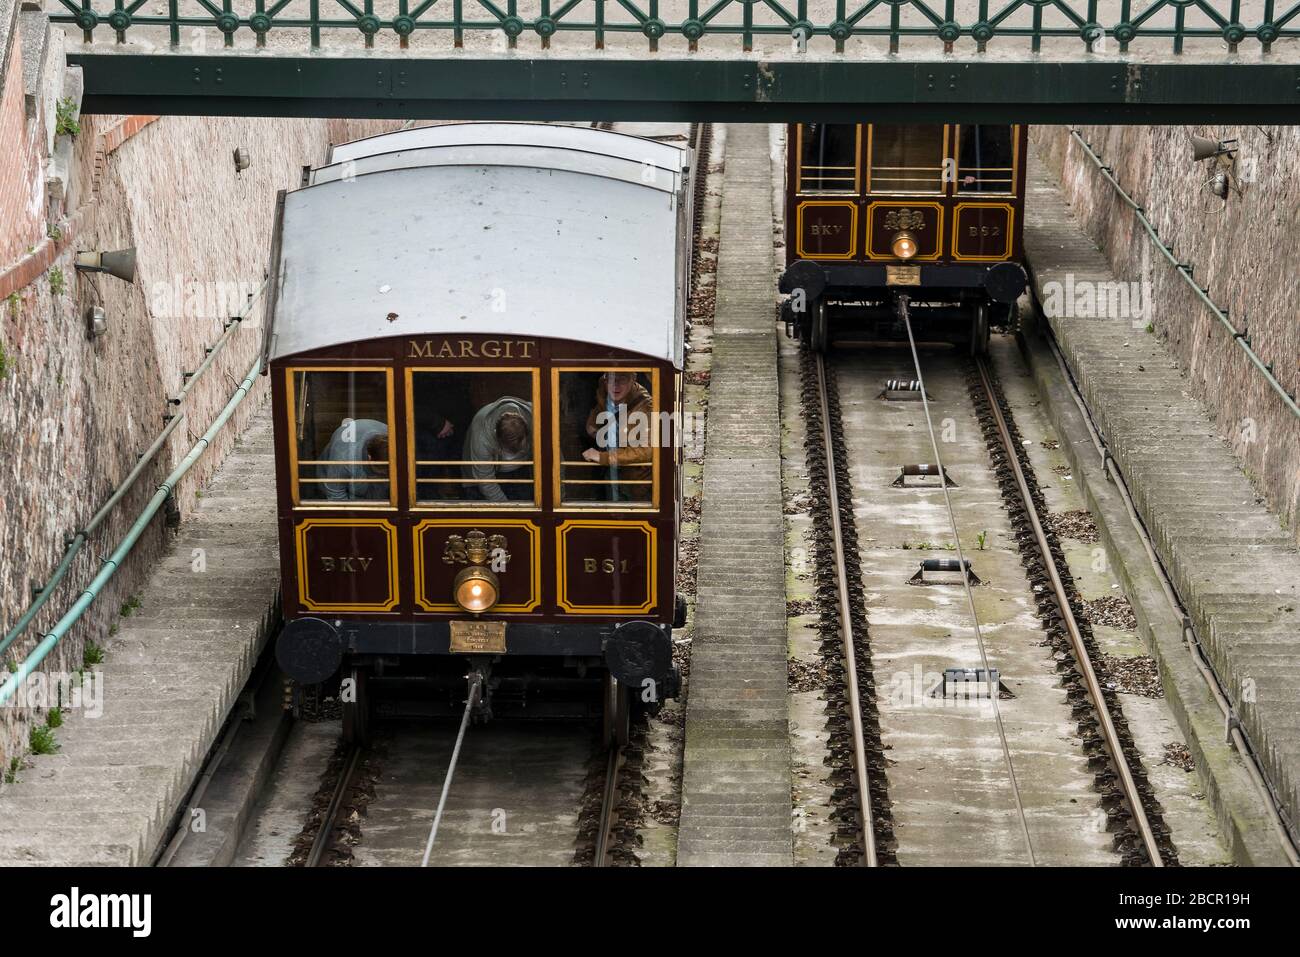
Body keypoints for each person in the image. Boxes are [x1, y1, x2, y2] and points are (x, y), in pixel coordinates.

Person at [582, 371, 653, 501]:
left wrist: (602, 457)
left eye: (623, 379)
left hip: (635, 481)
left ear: (633, 379)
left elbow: (646, 451)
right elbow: (598, 412)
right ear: (605, 379)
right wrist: (594, 430)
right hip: (610, 474)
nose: (615, 385)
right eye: (611, 379)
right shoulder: (604, 392)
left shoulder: (645, 408)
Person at [462, 397, 533, 502]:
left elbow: (555, 462)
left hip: (521, 470)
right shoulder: (481, 436)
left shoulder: (537, 420)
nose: (520, 451)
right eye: (510, 449)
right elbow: (485, 479)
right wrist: (507, 511)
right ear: (498, 438)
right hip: (486, 473)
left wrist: (559, 500)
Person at [320, 418, 389, 501]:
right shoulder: (344, 458)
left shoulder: (395, 438)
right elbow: (336, 495)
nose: (385, 474)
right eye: (382, 471)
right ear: (369, 458)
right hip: (334, 473)